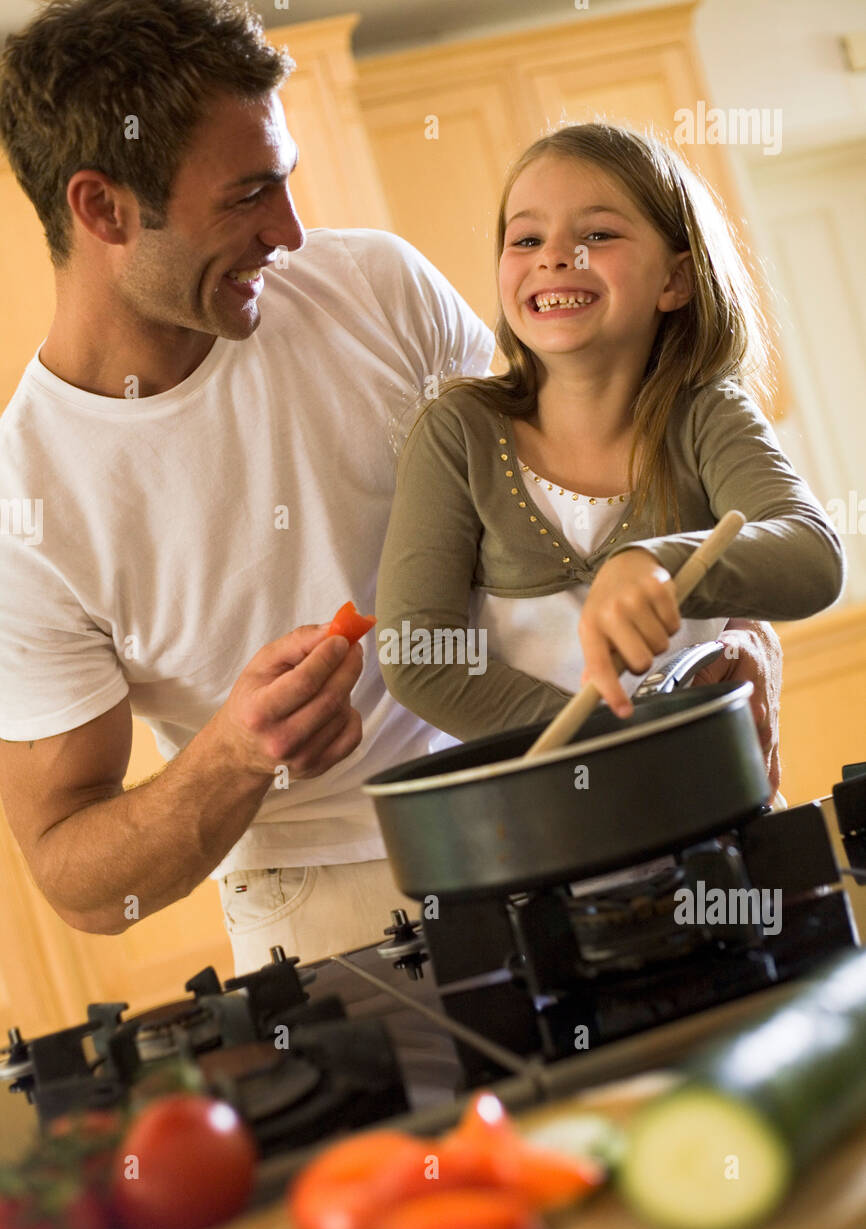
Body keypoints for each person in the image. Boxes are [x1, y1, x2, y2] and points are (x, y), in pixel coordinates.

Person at [0, 5, 782, 974]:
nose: (287, 233)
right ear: (103, 208)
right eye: (247, 196)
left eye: (282, 181)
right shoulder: (25, 509)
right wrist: (233, 756)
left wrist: (735, 636)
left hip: (558, 793)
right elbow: (77, 880)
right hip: (330, 900)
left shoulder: (375, 288)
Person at [376, 124, 844, 752]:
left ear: (675, 280)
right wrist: (620, 749)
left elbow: (813, 558)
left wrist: (654, 563)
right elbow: (418, 657)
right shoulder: (459, 432)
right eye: (527, 238)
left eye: (597, 234)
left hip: (713, 810)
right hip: (551, 828)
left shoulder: (706, 415)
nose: (555, 256)